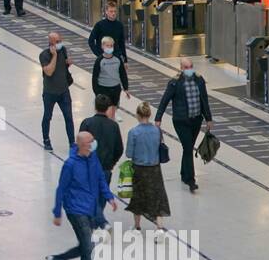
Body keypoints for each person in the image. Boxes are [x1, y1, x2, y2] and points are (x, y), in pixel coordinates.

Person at [47, 130, 118, 260]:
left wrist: (109, 197)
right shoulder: (70, 165)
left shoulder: (93, 158)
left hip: (91, 208)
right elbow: (61, 189)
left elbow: (100, 178)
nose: (93, 143)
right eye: (90, 141)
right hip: (75, 210)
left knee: (86, 246)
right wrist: (57, 212)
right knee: (87, 246)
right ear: (81, 144)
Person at [155, 56, 214, 193]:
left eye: (191, 67)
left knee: (187, 148)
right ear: (181, 68)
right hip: (181, 121)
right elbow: (165, 100)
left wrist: (208, 119)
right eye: (186, 68)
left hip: (196, 120)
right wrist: (158, 118)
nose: (189, 70)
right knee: (188, 148)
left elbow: (204, 100)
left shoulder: (199, 80)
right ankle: (191, 180)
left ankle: (183, 173)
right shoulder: (175, 83)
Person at [125, 102, 170, 230]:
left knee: (138, 197)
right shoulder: (157, 131)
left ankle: (137, 225)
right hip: (154, 168)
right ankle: (160, 226)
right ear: (149, 114)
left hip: (139, 168)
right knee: (157, 196)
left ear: (138, 115)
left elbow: (129, 153)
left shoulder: (133, 132)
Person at [40, 32, 75, 151]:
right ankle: (46, 140)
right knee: (47, 116)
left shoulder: (63, 50)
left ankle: (72, 142)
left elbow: (63, 66)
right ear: (51, 43)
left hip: (64, 91)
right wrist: (54, 56)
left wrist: (67, 63)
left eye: (60, 40)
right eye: (58, 41)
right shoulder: (44, 55)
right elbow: (49, 72)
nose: (60, 43)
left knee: (69, 117)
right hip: (50, 92)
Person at [80, 94, 123, 185]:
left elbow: (80, 145)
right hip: (105, 168)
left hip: (88, 167)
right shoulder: (113, 126)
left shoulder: (87, 123)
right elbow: (119, 149)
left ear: (95, 106)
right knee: (102, 197)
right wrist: (111, 163)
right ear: (108, 108)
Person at [90, 36, 130, 110]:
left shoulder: (117, 59)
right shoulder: (99, 61)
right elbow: (95, 77)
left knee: (113, 109)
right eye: (107, 45)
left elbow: (123, 74)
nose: (109, 47)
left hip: (115, 88)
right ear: (102, 46)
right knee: (105, 110)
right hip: (103, 89)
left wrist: (126, 88)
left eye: (111, 46)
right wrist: (97, 93)